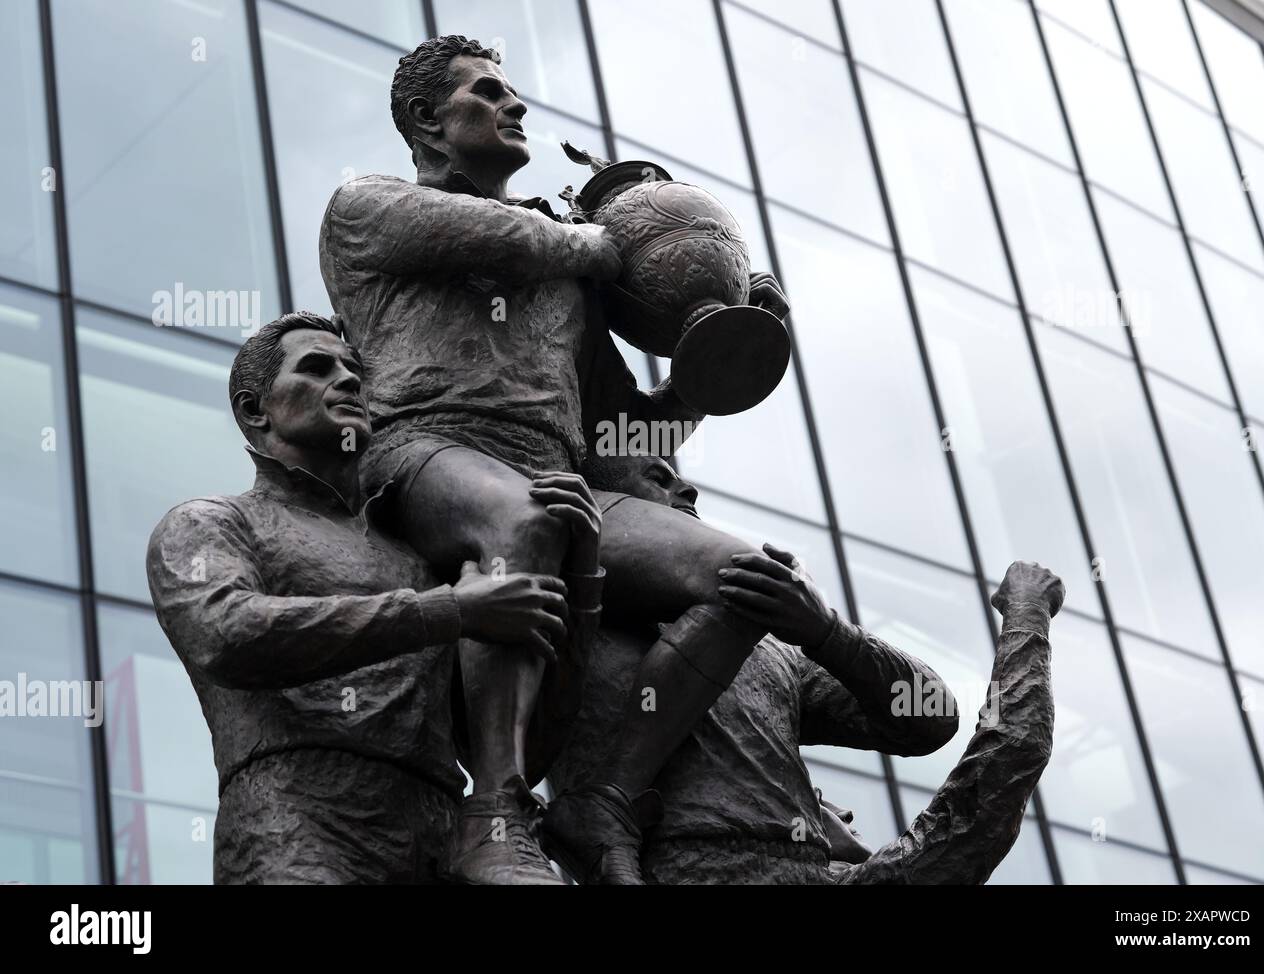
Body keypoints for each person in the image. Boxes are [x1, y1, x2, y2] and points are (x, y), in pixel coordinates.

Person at [320, 34, 792, 884]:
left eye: (512, 93)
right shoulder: (367, 208)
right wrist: (609, 242)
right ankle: (496, 807)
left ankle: (602, 797)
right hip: (426, 450)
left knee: (748, 576)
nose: (515, 106)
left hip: (565, 473)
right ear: (428, 119)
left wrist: (706, 375)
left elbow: (620, 440)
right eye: (488, 93)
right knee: (524, 516)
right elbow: (504, 237)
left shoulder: (562, 269)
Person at [145, 311, 595, 883]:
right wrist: (450, 611)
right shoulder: (212, 524)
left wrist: (582, 575)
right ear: (254, 409)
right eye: (317, 367)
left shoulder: (419, 558)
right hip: (298, 830)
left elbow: (528, 750)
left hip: (435, 840)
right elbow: (226, 634)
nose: (348, 378)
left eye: (354, 368)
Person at [549, 454, 1061, 885]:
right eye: (657, 478)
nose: (687, 489)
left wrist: (824, 630)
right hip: (680, 866)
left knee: (990, 796)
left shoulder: (763, 644)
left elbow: (929, 718)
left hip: (810, 872)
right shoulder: (570, 608)